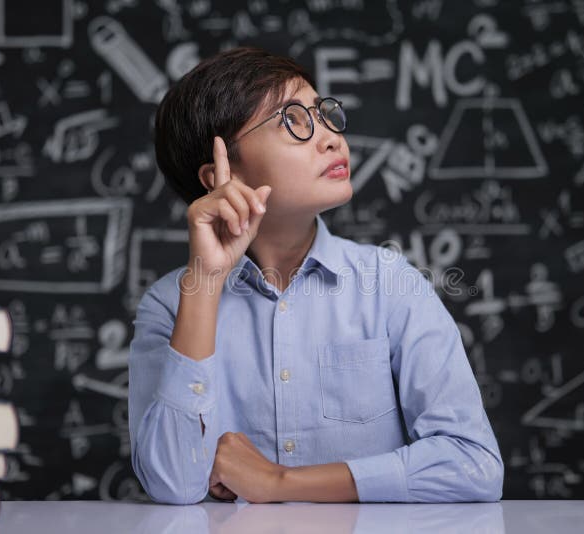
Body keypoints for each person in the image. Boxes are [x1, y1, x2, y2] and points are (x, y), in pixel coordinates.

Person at [128, 46, 504, 504]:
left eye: (323, 114)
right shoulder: (170, 305)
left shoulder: (390, 283)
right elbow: (171, 485)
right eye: (293, 121)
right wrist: (205, 283)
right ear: (220, 174)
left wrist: (278, 482)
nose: (330, 137)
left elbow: (475, 464)